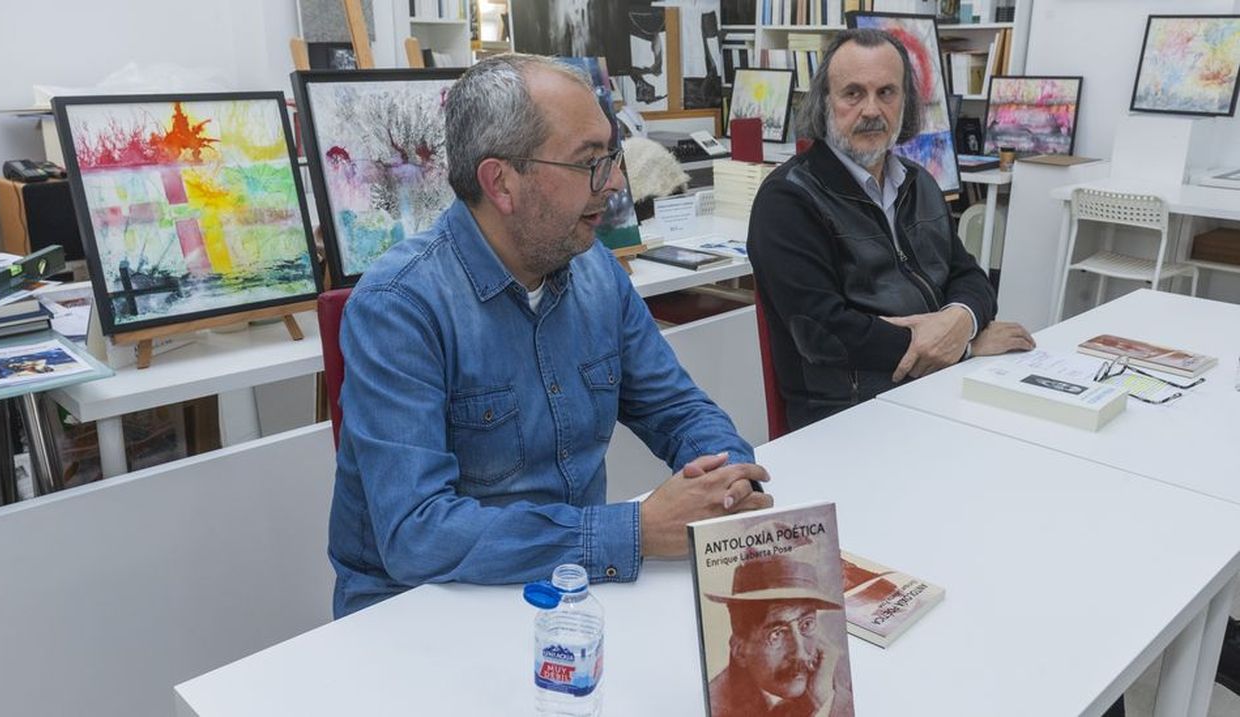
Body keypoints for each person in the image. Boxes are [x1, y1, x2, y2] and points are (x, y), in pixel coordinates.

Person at [329, 53, 772, 618]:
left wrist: (728, 483)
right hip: (420, 611)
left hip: (568, 591)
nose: (614, 183)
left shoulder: (596, 272)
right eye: (591, 162)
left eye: (610, 156)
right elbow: (419, 536)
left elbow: (678, 409)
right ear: (502, 182)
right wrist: (636, 530)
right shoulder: (400, 308)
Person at [747, 28, 1035, 429]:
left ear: (906, 103)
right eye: (853, 93)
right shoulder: (787, 200)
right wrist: (964, 344)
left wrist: (960, 318)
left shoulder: (920, 183)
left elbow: (968, 275)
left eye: (886, 93)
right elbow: (825, 333)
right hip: (847, 416)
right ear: (824, 102)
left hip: (937, 392)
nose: (871, 110)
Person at [706, 554, 853, 717]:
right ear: (740, 651)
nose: (800, 653)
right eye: (777, 634)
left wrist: (824, 702)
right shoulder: (716, 708)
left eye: (806, 624)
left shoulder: (839, 684)